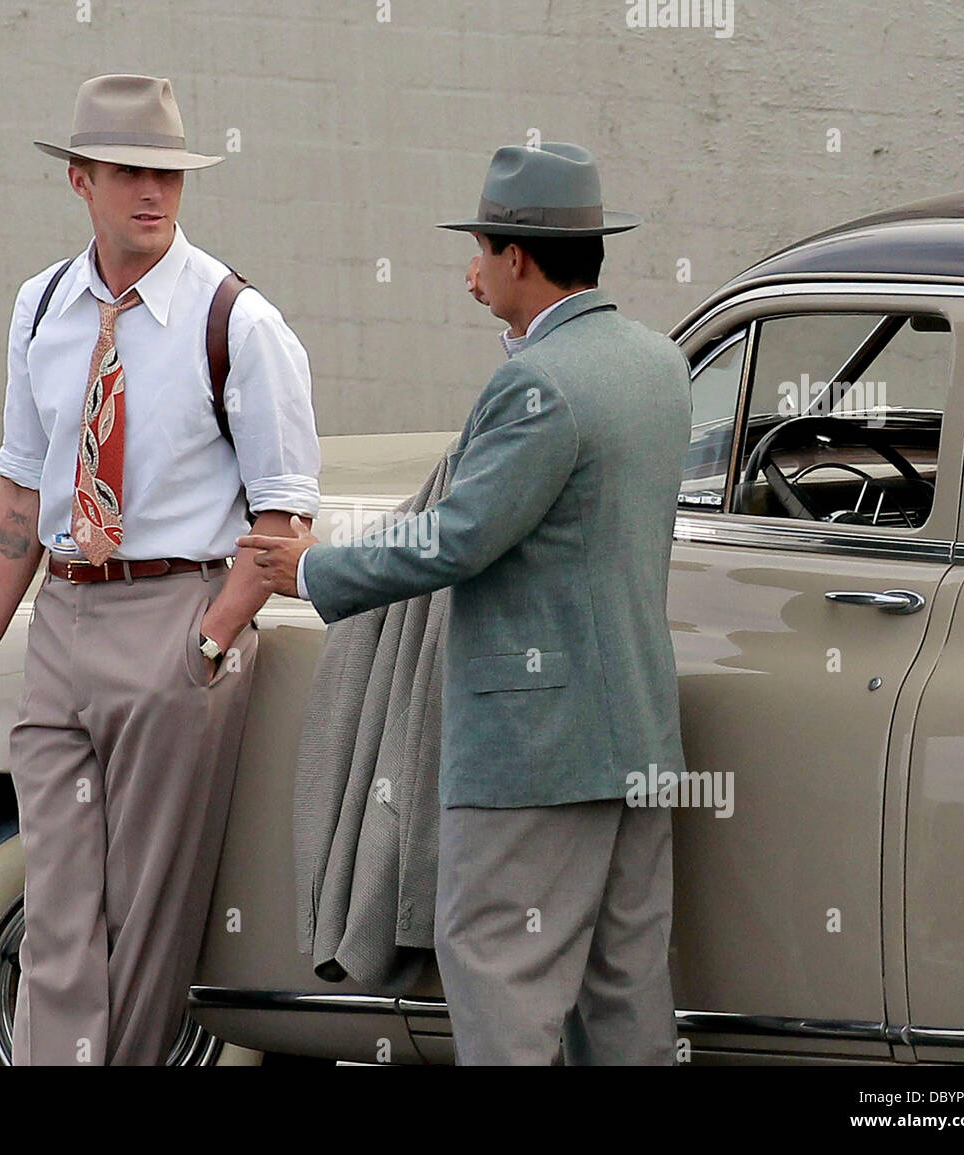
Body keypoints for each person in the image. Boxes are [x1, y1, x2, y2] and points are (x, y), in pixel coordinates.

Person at [240, 142, 691, 1065]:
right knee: (626, 994)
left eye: (479, 250)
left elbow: (457, 536)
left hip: (534, 753)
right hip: (639, 732)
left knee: (501, 988)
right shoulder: (657, 363)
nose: (471, 272)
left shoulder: (538, 383)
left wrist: (313, 569)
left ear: (516, 256)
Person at [0, 73, 320, 1065]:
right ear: (81, 181)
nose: (152, 193)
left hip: (179, 618)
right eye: (129, 173)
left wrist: (205, 640)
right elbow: (20, 492)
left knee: (147, 920)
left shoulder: (238, 322)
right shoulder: (42, 306)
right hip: (65, 618)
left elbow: (282, 519)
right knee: (58, 906)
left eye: (169, 175)